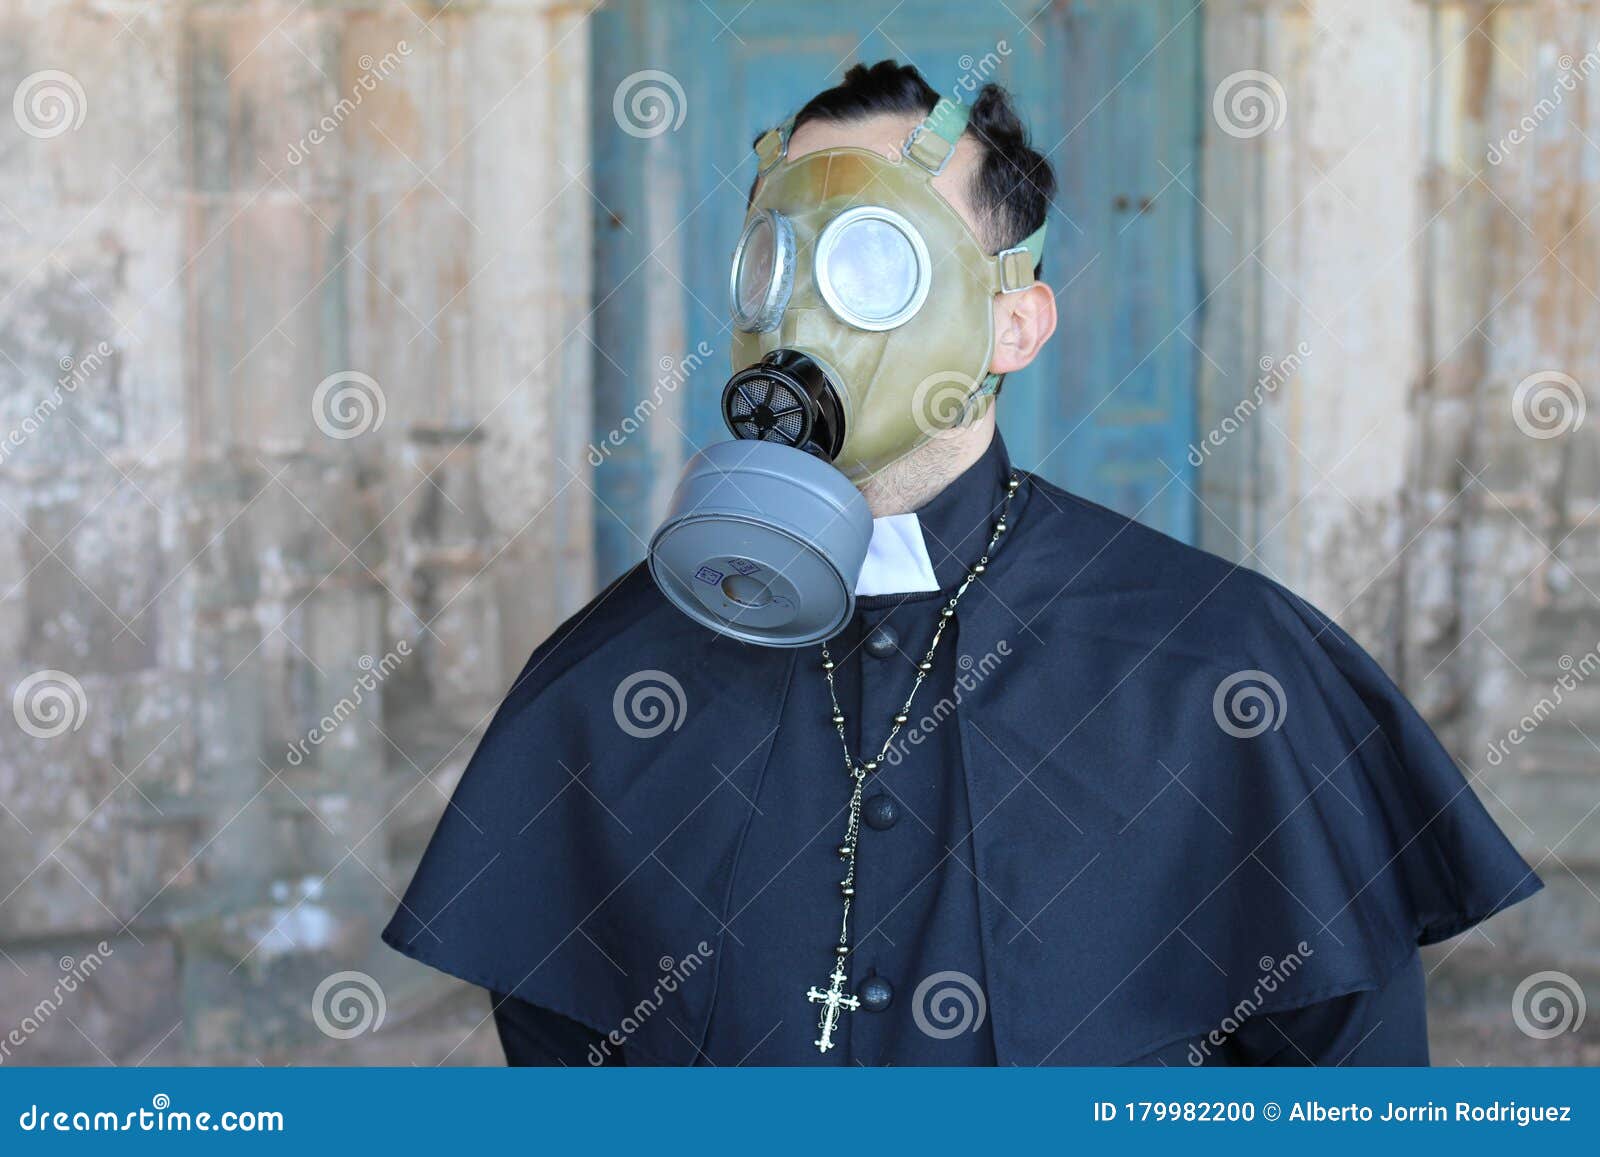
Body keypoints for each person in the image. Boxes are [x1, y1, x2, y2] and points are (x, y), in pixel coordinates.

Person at [383, 60, 1540, 1066]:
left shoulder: (1225, 669)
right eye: (778, 261)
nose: (805, 318)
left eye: (873, 265)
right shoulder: (609, 682)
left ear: (1014, 324)